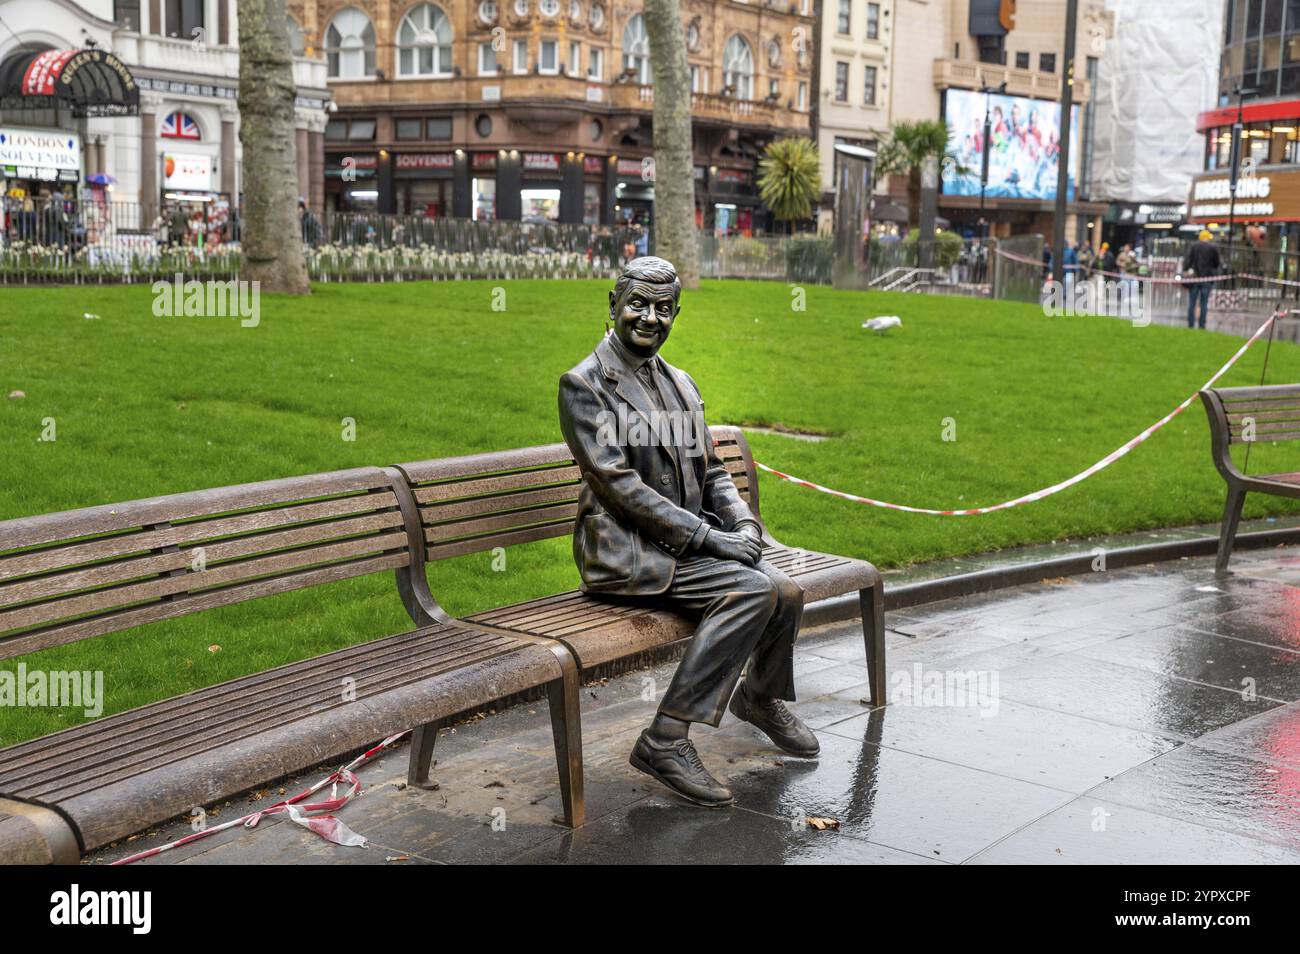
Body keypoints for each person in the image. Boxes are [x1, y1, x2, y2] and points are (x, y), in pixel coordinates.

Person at [557, 256, 815, 808]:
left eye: (663, 308)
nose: (649, 317)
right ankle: (665, 740)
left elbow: (712, 469)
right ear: (613, 305)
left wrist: (744, 521)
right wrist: (709, 538)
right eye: (638, 304)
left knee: (786, 592)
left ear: (676, 313)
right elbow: (618, 486)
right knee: (752, 590)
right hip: (628, 554)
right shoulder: (584, 386)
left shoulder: (679, 381)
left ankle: (760, 698)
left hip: (685, 547)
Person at [1181, 229, 1222, 330]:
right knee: (1203, 303)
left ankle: (1190, 325)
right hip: (1207, 279)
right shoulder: (1213, 248)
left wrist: (1185, 270)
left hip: (1194, 279)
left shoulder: (1194, 246)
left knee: (1192, 303)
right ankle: (1202, 325)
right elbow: (1217, 263)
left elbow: (1187, 261)